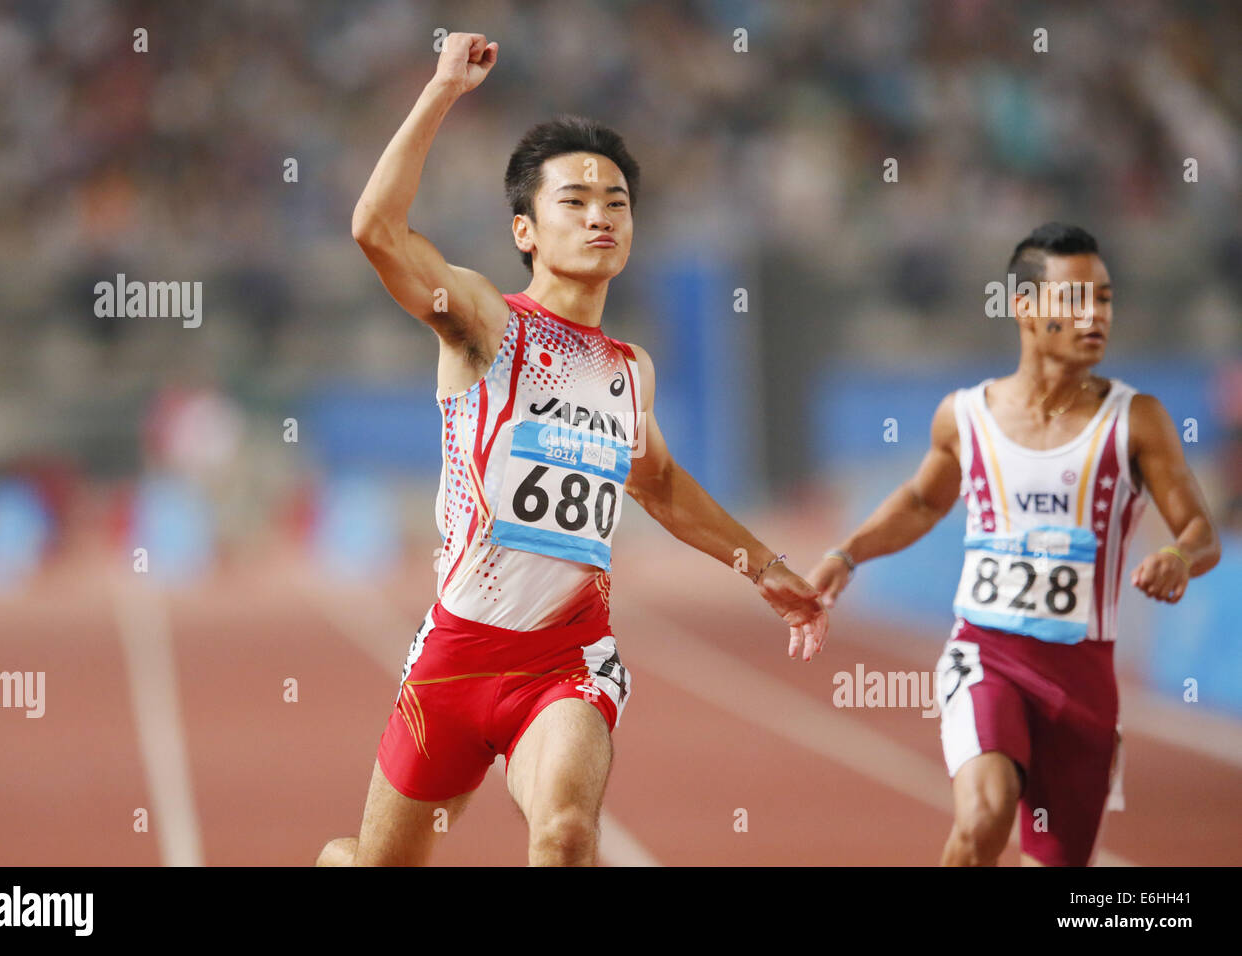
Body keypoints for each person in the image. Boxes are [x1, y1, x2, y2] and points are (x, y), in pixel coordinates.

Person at [316, 32, 827, 867]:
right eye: (576, 201)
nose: (601, 216)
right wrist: (443, 88)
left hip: (566, 658)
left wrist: (763, 564)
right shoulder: (485, 322)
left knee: (564, 836)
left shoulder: (632, 371)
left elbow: (658, 485)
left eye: (617, 202)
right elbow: (375, 229)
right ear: (525, 228)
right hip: (455, 657)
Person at [806, 223, 1220, 866]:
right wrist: (847, 553)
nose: (1096, 315)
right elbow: (921, 501)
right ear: (1024, 307)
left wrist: (1178, 556)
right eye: (1075, 298)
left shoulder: (1137, 422)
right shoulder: (967, 415)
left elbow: (1200, 531)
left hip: (1084, 683)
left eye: (1104, 298)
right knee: (983, 818)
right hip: (987, 655)